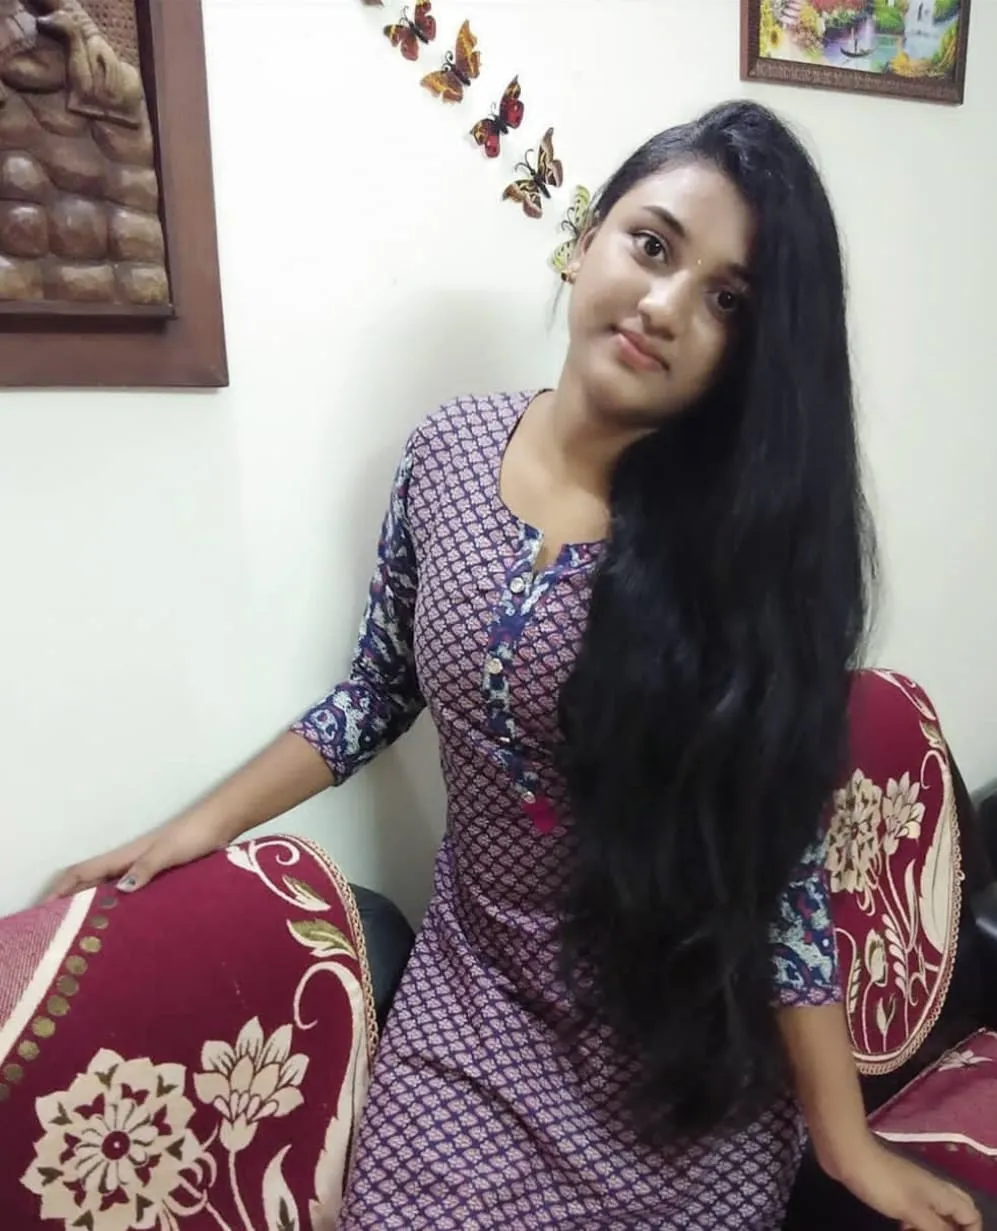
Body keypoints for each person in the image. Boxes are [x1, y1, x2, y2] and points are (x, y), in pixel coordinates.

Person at [48, 101, 980, 1230]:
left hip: (675, 1056)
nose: (664, 305)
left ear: (751, 354)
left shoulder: (739, 555)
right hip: (477, 1010)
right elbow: (376, 691)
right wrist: (195, 827)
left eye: (727, 301)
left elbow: (777, 870)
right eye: (652, 245)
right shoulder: (444, 451)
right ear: (584, 242)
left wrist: (843, 1140)